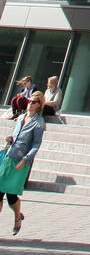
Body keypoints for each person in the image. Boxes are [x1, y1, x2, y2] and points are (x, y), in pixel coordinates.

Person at [0, 93, 45, 235]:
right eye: (29, 101)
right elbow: (16, 136)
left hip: (20, 161)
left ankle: (17, 217)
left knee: (11, 195)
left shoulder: (39, 122)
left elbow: (36, 144)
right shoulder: (20, 118)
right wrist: (10, 138)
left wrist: (26, 159)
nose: (30, 104)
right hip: (8, 157)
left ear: (39, 105)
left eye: (34, 102)